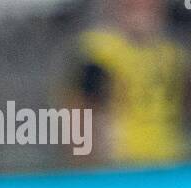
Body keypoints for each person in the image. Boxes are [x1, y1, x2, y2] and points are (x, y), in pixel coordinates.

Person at [65, 0, 189, 165]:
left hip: (172, 160)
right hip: (120, 164)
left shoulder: (174, 54)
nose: (143, 7)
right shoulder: (98, 53)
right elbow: (78, 113)